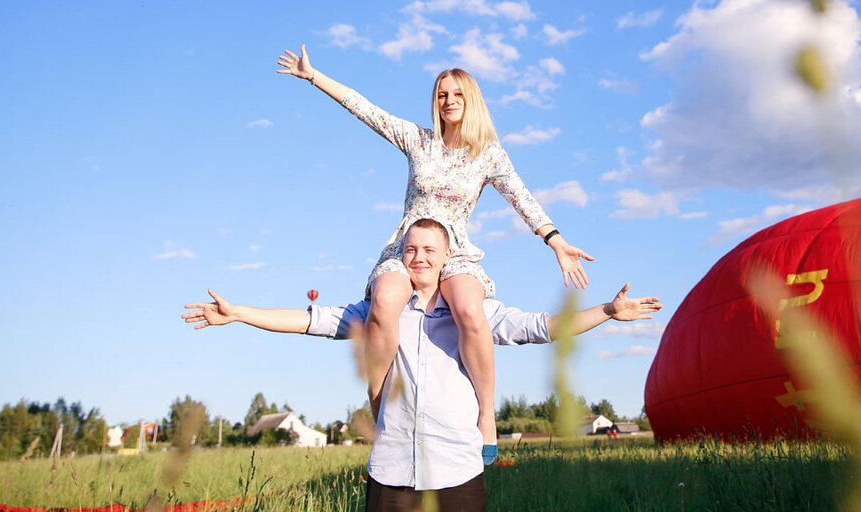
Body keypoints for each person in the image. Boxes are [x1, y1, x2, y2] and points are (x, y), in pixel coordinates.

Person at [183, 217, 662, 512]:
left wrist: (607, 311)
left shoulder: (470, 315)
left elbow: (541, 325)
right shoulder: (378, 314)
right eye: (410, 249)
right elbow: (309, 319)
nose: (418, 257)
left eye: (429, 250)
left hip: (457, 469)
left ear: (447, 257)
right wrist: (239, 313)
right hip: (390, 474)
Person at [277, 45, 595, 457]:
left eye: (457, 94)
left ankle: (485, 416)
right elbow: (366, 109)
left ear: (471, 100)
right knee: (385, 302)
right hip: (409, 248)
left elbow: (521, 196)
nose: (449, 101)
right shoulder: (418, 140)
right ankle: (380, 406)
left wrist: (555, 240)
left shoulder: (488, 154)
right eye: (442, 94)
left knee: (469, 311)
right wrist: (314, 76)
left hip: (455, 251)